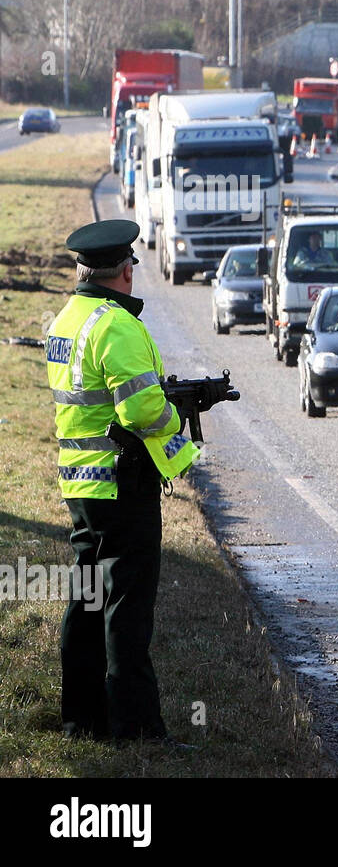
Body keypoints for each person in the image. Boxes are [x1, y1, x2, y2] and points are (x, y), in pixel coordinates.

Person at [46, 219, 199, 742]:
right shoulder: (115, 324)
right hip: (122, 485)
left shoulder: (66, 319)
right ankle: (136, 728)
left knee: (87, 598)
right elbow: (142, 409)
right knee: (127, 609)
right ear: (126, 271)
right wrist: (178, 424)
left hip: (81, 485)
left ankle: (81, 719)